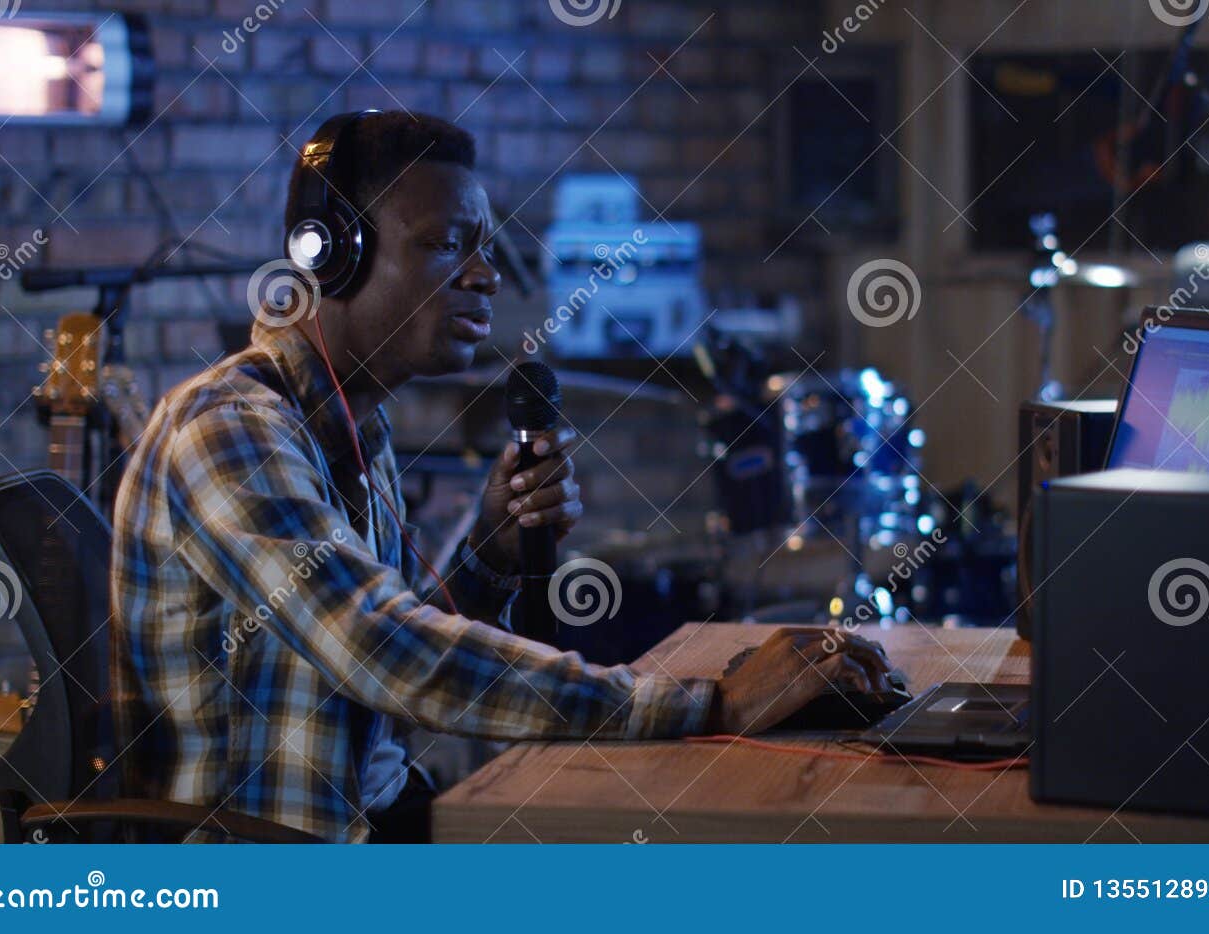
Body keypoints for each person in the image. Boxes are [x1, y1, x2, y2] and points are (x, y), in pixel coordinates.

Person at [109, 111, 893, 842]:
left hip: (379, 821)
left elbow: (383, 686)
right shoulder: (228, 429)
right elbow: (380, 651)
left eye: (486, 248)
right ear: (334, 255)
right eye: (447, 244)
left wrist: (490, 553)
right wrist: (706, 703)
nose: (485, 275)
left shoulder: (354, 428)